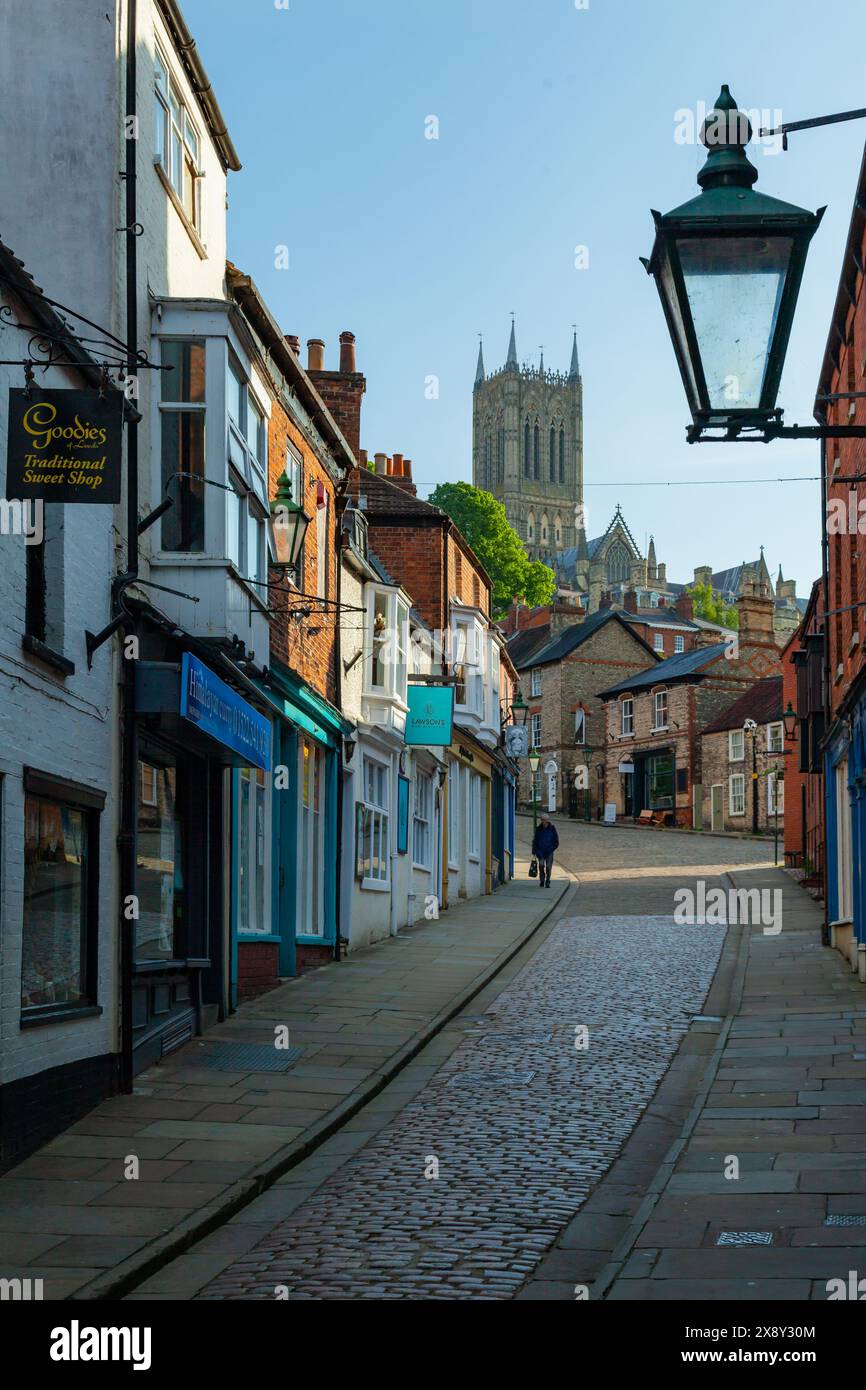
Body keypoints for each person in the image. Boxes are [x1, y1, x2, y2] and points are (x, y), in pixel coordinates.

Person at [532, 813, 559, 887]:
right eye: (542, 820)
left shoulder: (552, 828)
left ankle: (547, 881)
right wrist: (534, 851)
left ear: (547, 820)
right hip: (540, 851)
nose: (544, 821)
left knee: (548, 867)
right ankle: (542, 880)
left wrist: (552, 848)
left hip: (549, 851)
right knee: (541, 865)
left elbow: (556, 841)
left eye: (545, 820)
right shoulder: (538, 829)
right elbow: (535, 840)